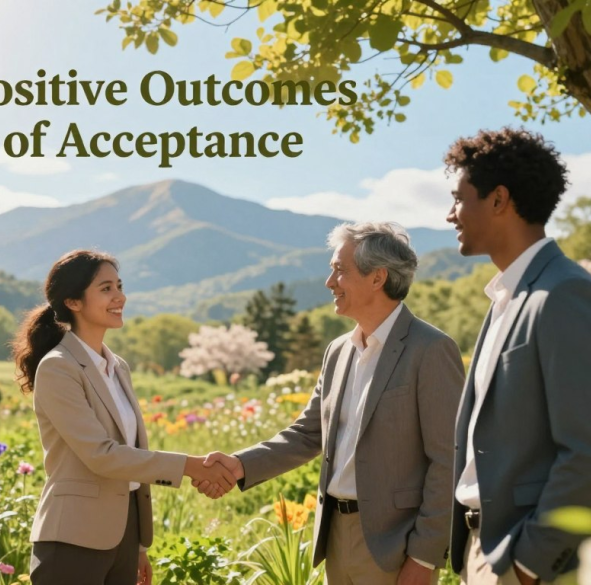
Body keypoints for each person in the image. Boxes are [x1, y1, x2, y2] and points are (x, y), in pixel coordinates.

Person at [198, 222, 464, 585]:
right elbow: (308, 434)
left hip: (395, 547)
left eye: (340, 270)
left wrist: (424, 556)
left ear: (377, 278)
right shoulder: (338, 351)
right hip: (334, 537)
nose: (329, 282)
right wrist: (238, 465)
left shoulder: (431, 350)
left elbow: (448, 460)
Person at [444, 128, 591, 584]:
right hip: (484, 552)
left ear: (499, 199)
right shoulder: (506, 297)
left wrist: (527, 564)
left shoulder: (564, 293)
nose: (450, 215)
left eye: (459, 199)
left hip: (535, 563)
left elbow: (590, 454)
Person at [13, 249, 236, 585]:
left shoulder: (117, 367)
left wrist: (138, 546)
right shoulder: (58, 367)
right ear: (73, 301)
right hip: (73, 539)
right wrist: (190, 466)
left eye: (119, 286)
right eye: (106, 289)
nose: (120, 296)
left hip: (123, 536)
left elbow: (129, 451)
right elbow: (101, 456)